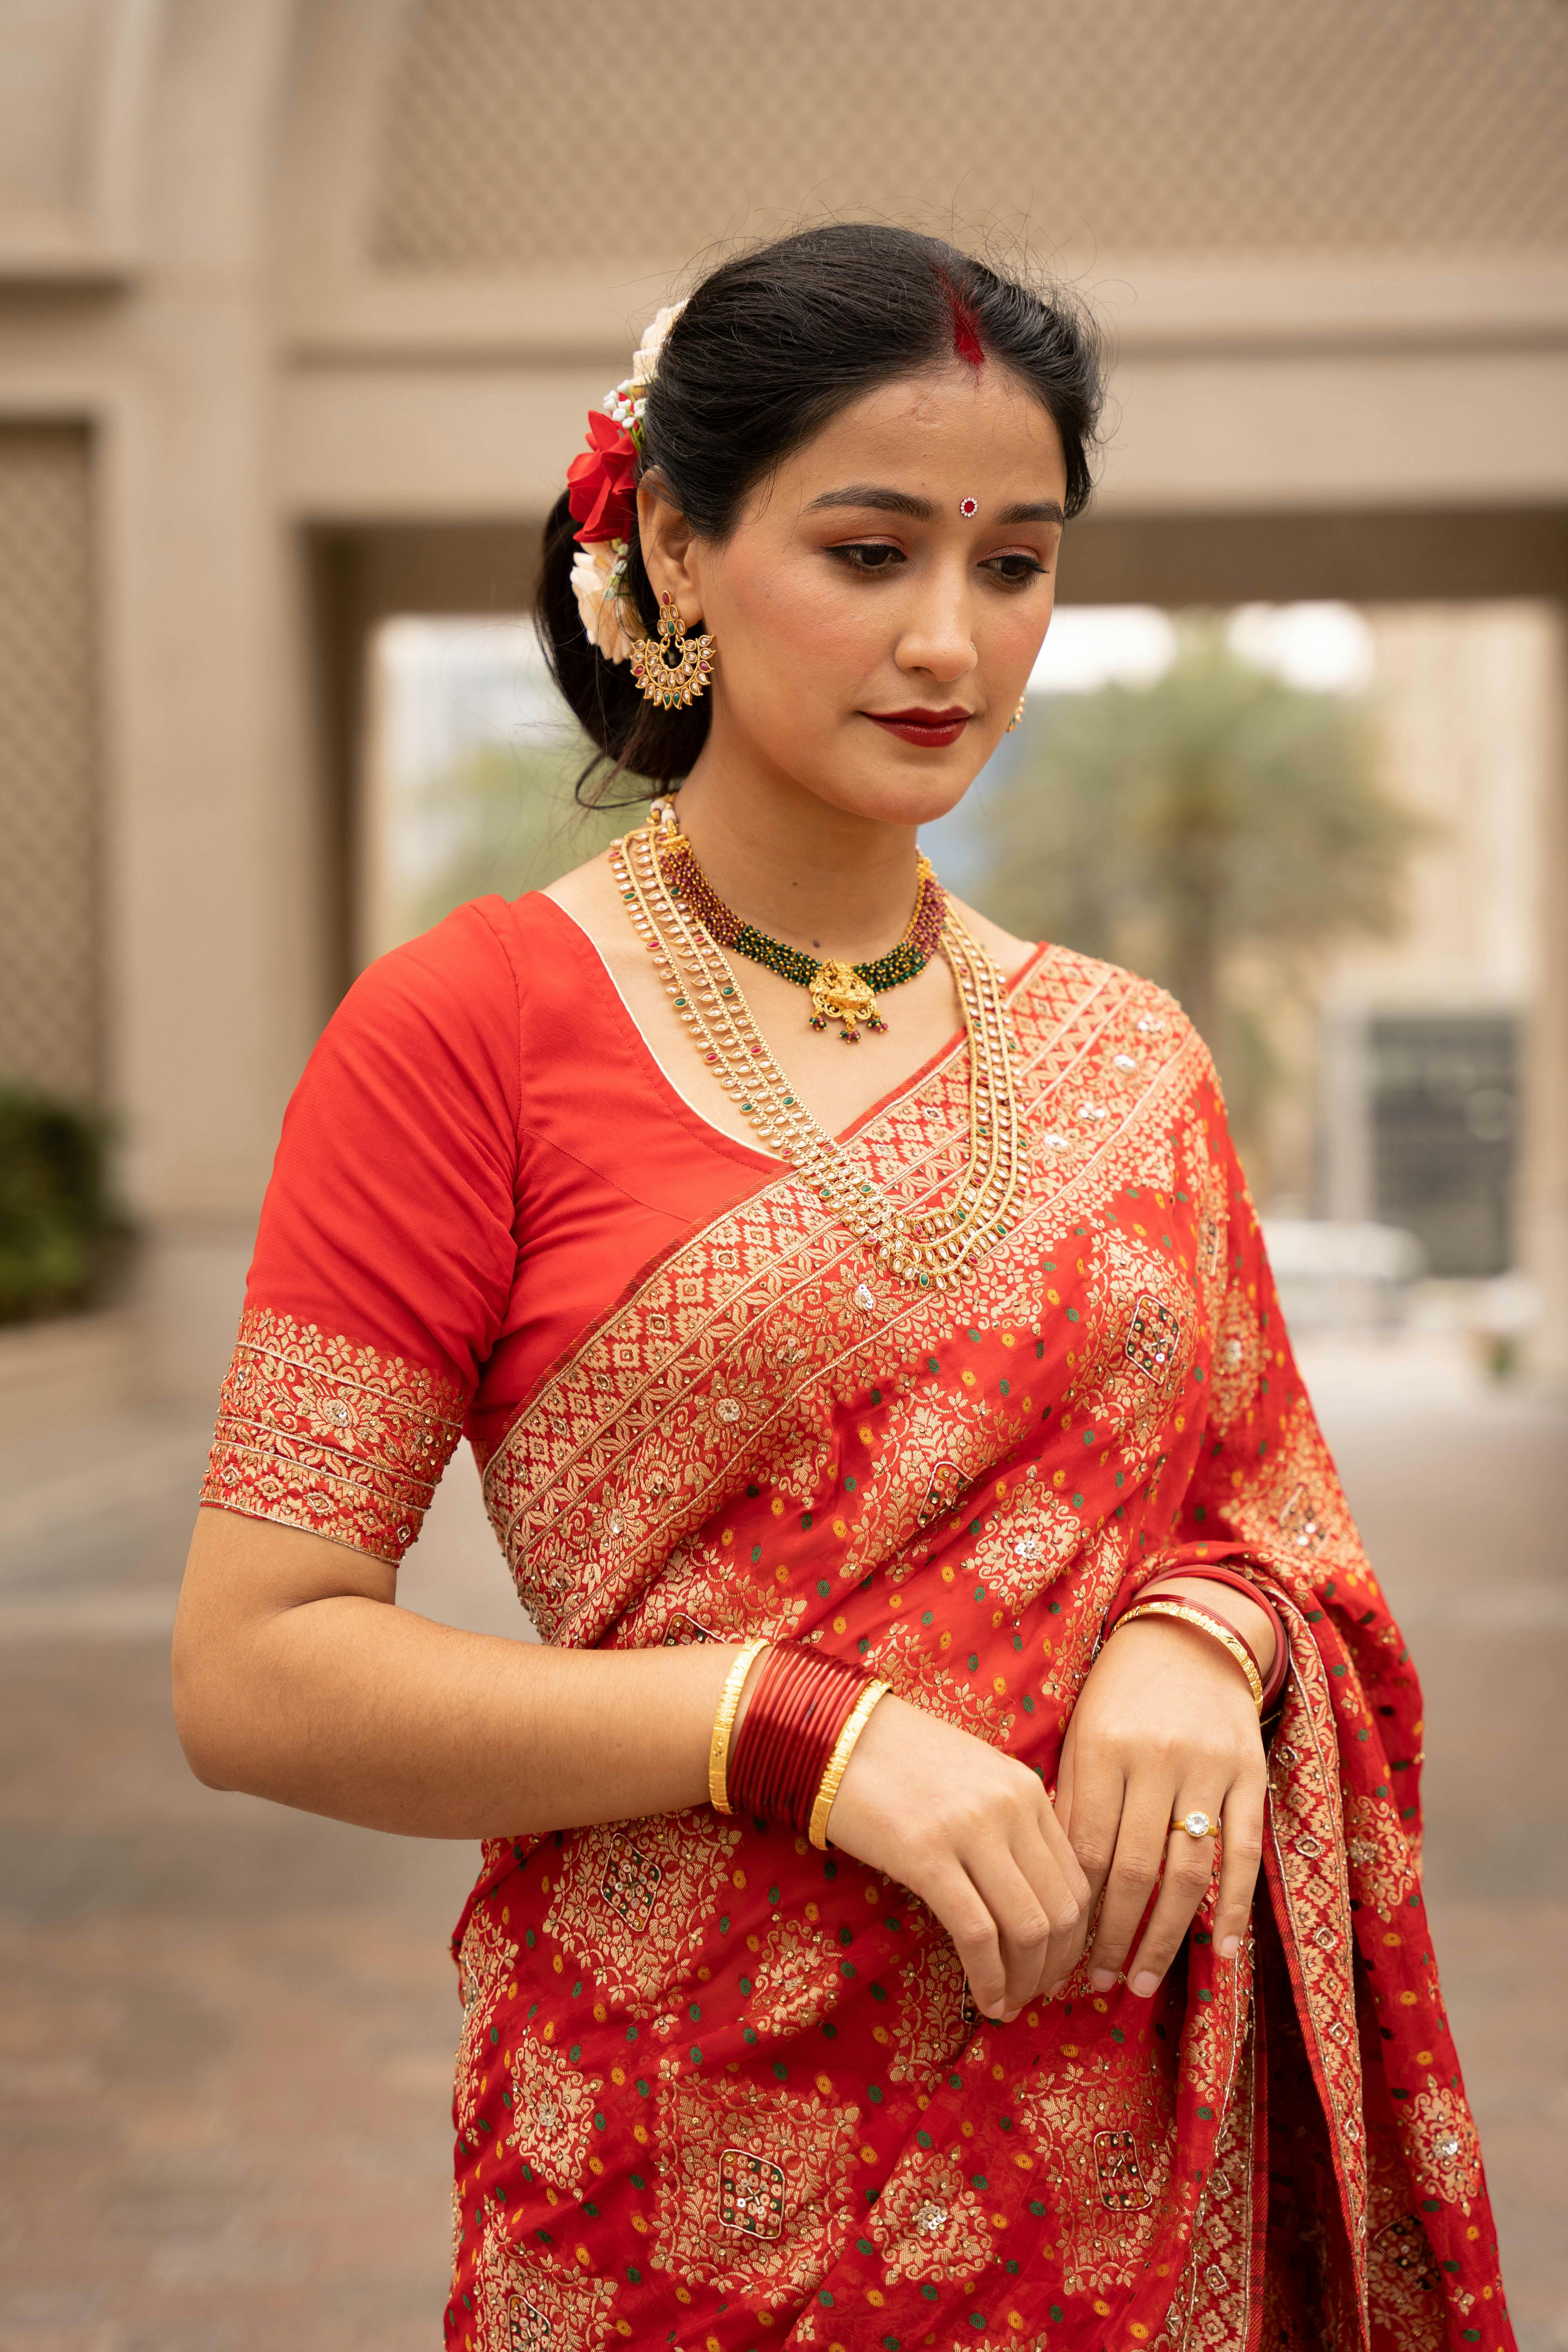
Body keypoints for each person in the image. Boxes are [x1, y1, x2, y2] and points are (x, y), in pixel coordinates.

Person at [172, 225, 1510, 2352]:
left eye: (1015, 565)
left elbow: (1276, 1528)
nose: (951, 642)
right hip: (675, 2167)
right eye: (870, 551)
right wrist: (782, 1728)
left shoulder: (1128, 1056)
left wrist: (1197, 1638)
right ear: (681, 554)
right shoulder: (469, 1031)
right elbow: (254, 1671)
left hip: (1120, 2162)